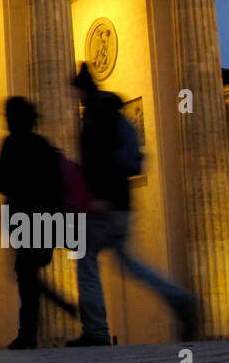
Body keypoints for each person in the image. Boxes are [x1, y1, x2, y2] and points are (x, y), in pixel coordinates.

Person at [68, 63, 198, 346]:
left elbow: (96, 162)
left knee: (85, 260)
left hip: (103, 204)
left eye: (76, 92)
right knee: (130, 262)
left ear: (81, 91)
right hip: (122, 204)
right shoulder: (116, 115)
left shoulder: (94, 118)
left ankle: (96, 331)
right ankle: (180, 299)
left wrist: (96, 197)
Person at [0, 96, 77, 349]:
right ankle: (41, 320)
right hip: (44, 220)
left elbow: (2, 182)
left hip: (23, 219)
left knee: (26, 276)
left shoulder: (12, 144)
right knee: (29, 274)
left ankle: (29, 332)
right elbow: (56, 183)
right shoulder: (43, 145)